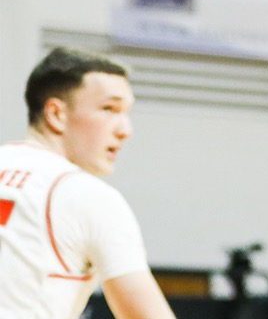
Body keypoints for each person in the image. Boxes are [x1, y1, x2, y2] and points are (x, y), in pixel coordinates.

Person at [1, 47, 176, 319]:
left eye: (125, 112)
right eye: (109, 109)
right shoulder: (86, 195)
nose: (125, 130)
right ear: (56, 114)